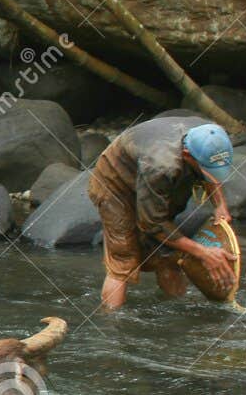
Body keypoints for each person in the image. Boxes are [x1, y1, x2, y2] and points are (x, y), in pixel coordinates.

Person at [87, 120, 238, 310]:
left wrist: (220, 205)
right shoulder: (160, 167)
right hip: (116, 185)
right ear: (187, 155)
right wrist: (203, 252)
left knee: (168, 254)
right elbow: (153, 225)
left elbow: (210, 168)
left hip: (152, 176)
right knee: (124, 258)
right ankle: (112, 320)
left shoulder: (210, 137)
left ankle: (177, 309)